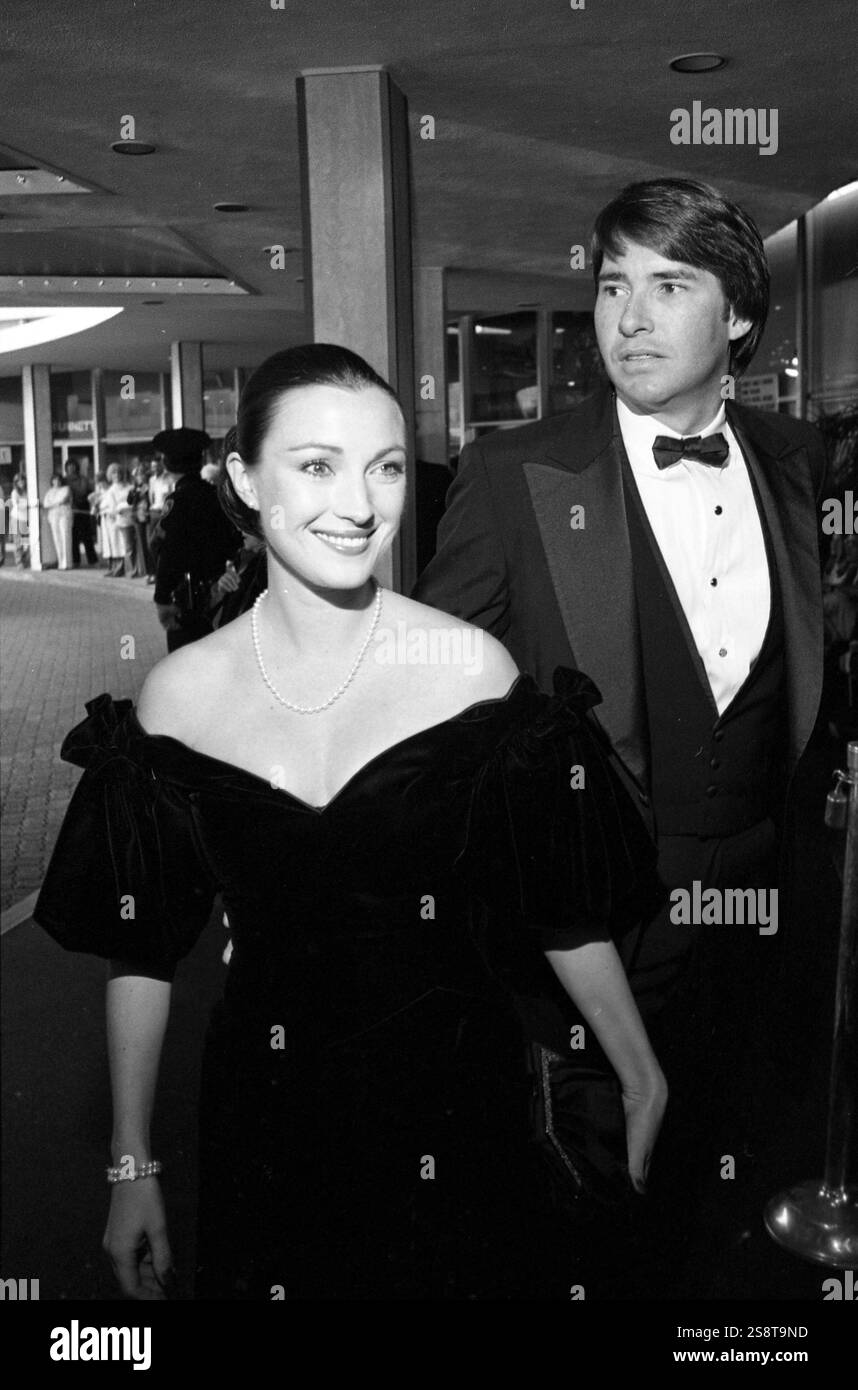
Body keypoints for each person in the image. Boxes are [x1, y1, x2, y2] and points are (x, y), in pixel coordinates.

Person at [35, 344, 666, 1301]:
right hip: (268, 1107)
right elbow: (144, 951)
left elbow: (560, 902)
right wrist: (131, 1165)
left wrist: (638, 1071)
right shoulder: (173, 699)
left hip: (456, 1095)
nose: (362, 505)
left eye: (386, 467)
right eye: (317, 465)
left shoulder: (472, 671)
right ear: (244, 480)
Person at [414, 178, 827, 1292]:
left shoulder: (798, 462)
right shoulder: (515, 476)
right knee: (590, 1215)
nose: (628, 319)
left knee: (719, 1186)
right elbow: (429, 710)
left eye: (669, 286)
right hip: (588, 932)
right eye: (611, 285)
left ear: (740, 313)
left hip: (763, 919)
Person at [149, 427, 238, 651]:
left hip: (186, 599)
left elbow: (169, 552)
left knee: (184, 662)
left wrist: (162, 598)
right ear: (199, 462)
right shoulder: (215, 496)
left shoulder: (177, 501)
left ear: (168, 464)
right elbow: (233, 542)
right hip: (218, 595)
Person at [64, 459, 98, 567]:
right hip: (71, 510)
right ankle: (75, 560)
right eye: (69, 467)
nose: (71, 469)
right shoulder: (64, 481)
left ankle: (92, 560)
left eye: (73, 466)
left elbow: (90, 491)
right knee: (74, 537)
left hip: (83, 508)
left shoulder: (83, 479)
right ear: (66, 468)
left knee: (87, 536)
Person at [102, 463, 134, 578]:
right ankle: (117, 568)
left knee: (125, 545)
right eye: (114, 473)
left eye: (119, 472)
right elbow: (112, 506)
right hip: (115, 519)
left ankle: (127, 569)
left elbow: (132, 501)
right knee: (115, 544)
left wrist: (122, 506)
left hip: (128, 518)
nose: (117, 475)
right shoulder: (111, 490)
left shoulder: (129, 486)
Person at [147, 456, 174, 585]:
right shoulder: (152, 480)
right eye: (153, 466)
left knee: (159, 544)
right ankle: (153, 573)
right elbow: (151, 497)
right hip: (153, 512)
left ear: (161, 466)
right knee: (151, 544)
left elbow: (172, 496)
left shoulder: (169, 479)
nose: (155, 468)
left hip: (164, 514)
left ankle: (161, 574)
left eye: (157, 466)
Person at [42, 472, 73, 569]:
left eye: (59, 479)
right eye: (55, 480)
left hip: (64, 514)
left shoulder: (66, 489)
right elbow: (46, 504)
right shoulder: (49, 492)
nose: (57, 482)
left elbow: (63, 500)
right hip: (53, 516)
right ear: (52, 481)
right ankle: (60, 562)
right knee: (57, 538)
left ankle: (67, 563)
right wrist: (56, 503)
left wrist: (53, 503)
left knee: (65, 537)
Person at [9, 475, 29, 568]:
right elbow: (17, 505)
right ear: (16, 483)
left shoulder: (29, 490)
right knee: (18, 542)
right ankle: (19, 561)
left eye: (22, 480)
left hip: (26, 519)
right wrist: (30, 503)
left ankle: (25, 559)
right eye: (19, 481)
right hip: (17, 518)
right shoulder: (15, 492)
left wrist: (26, 503)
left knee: (26, 542)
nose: (21, 482)